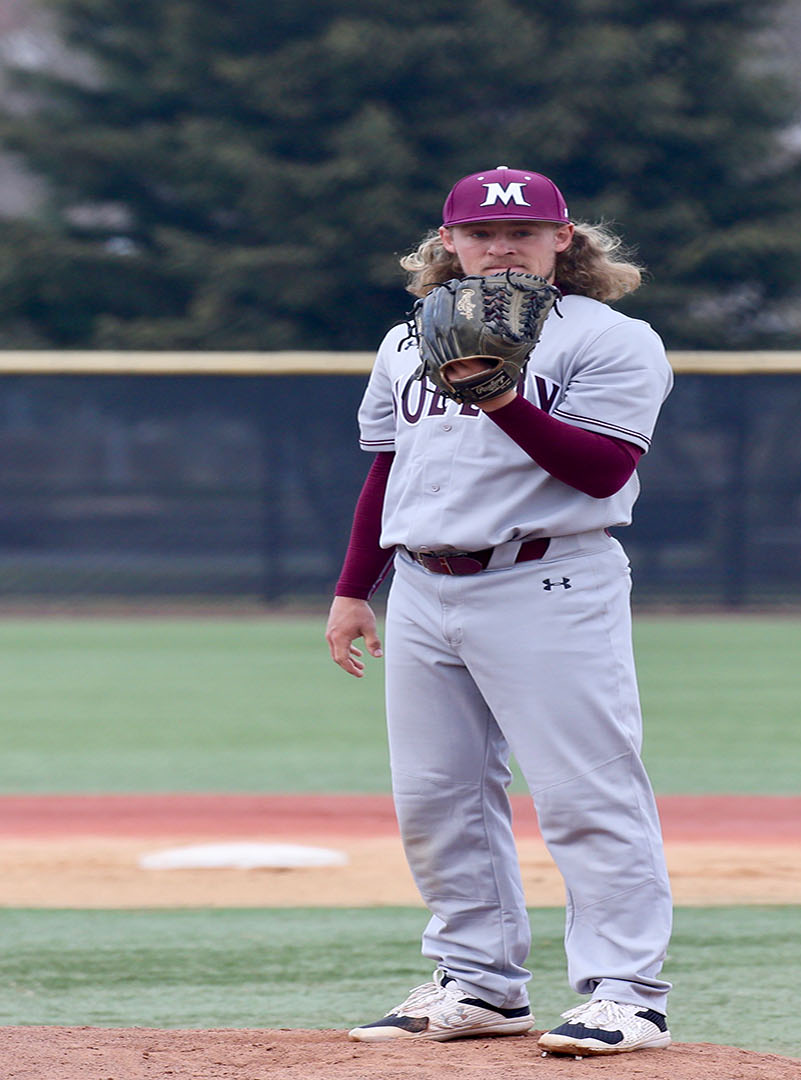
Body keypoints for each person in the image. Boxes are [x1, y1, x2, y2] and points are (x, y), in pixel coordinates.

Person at [324, 166, 675, 1056]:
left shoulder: (611, 339)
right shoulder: (408, 340)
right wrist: (352, 588)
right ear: (450, 243)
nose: (501, 245)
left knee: (586, 790)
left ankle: (627, 992)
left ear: (565, 239)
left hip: (548, 578)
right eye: (481, 233)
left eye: (522, 232)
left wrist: (502, 398)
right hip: (422, 588)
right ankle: (479, 983)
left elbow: (601, 471)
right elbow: (384, 469)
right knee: (437, 798)